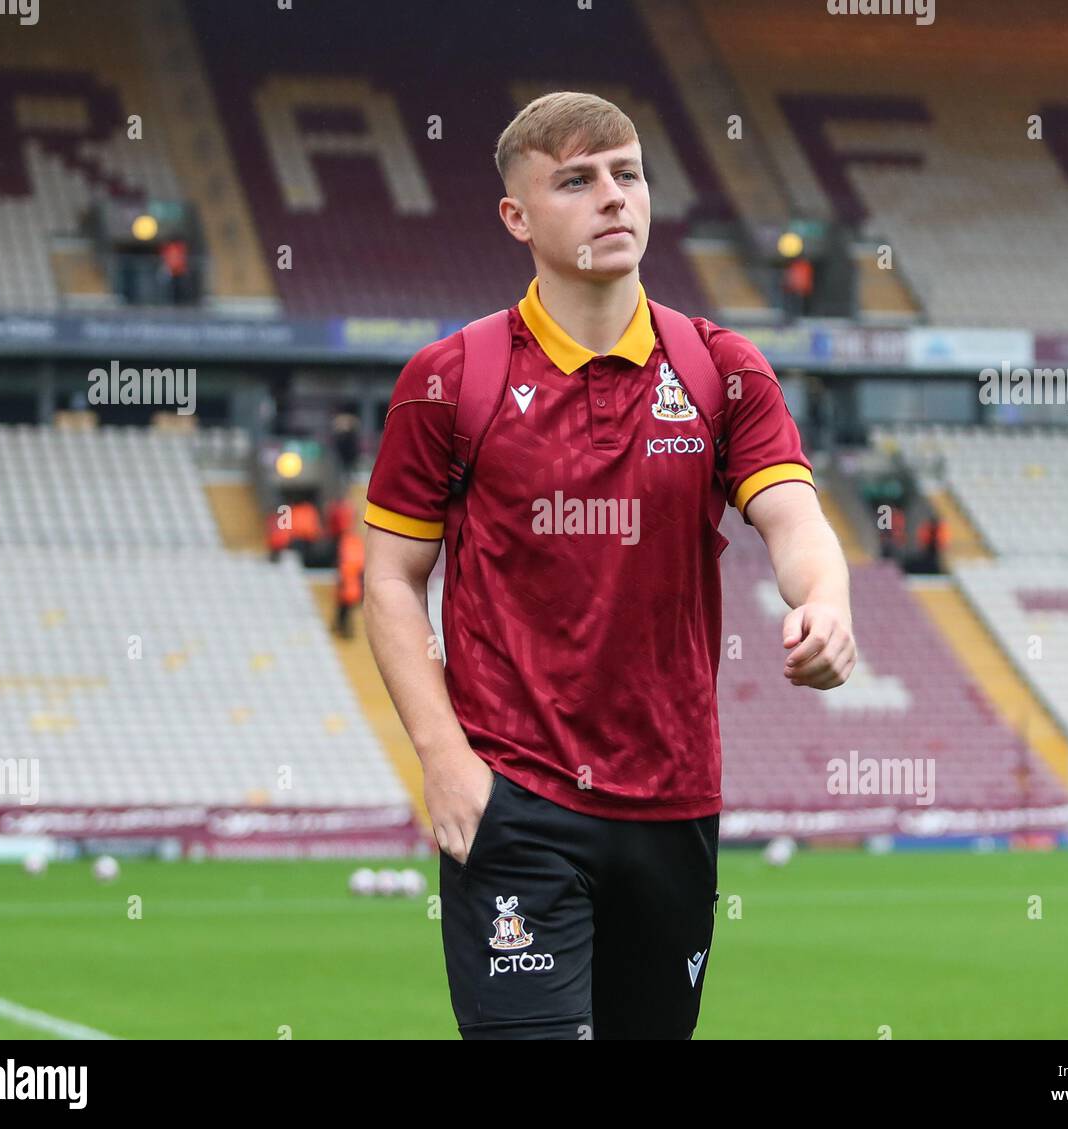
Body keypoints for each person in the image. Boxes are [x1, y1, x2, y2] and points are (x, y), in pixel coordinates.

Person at [361, 91, 856, 1040]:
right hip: (516, 795)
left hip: (676, 802)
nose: (613, 197)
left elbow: (794, 519)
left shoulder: (722, 368)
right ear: (517, 216)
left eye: (627, 173)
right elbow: (389, 579)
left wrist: (827, 600)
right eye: (577, 180)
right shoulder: (448, 378)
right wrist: (443, 760)